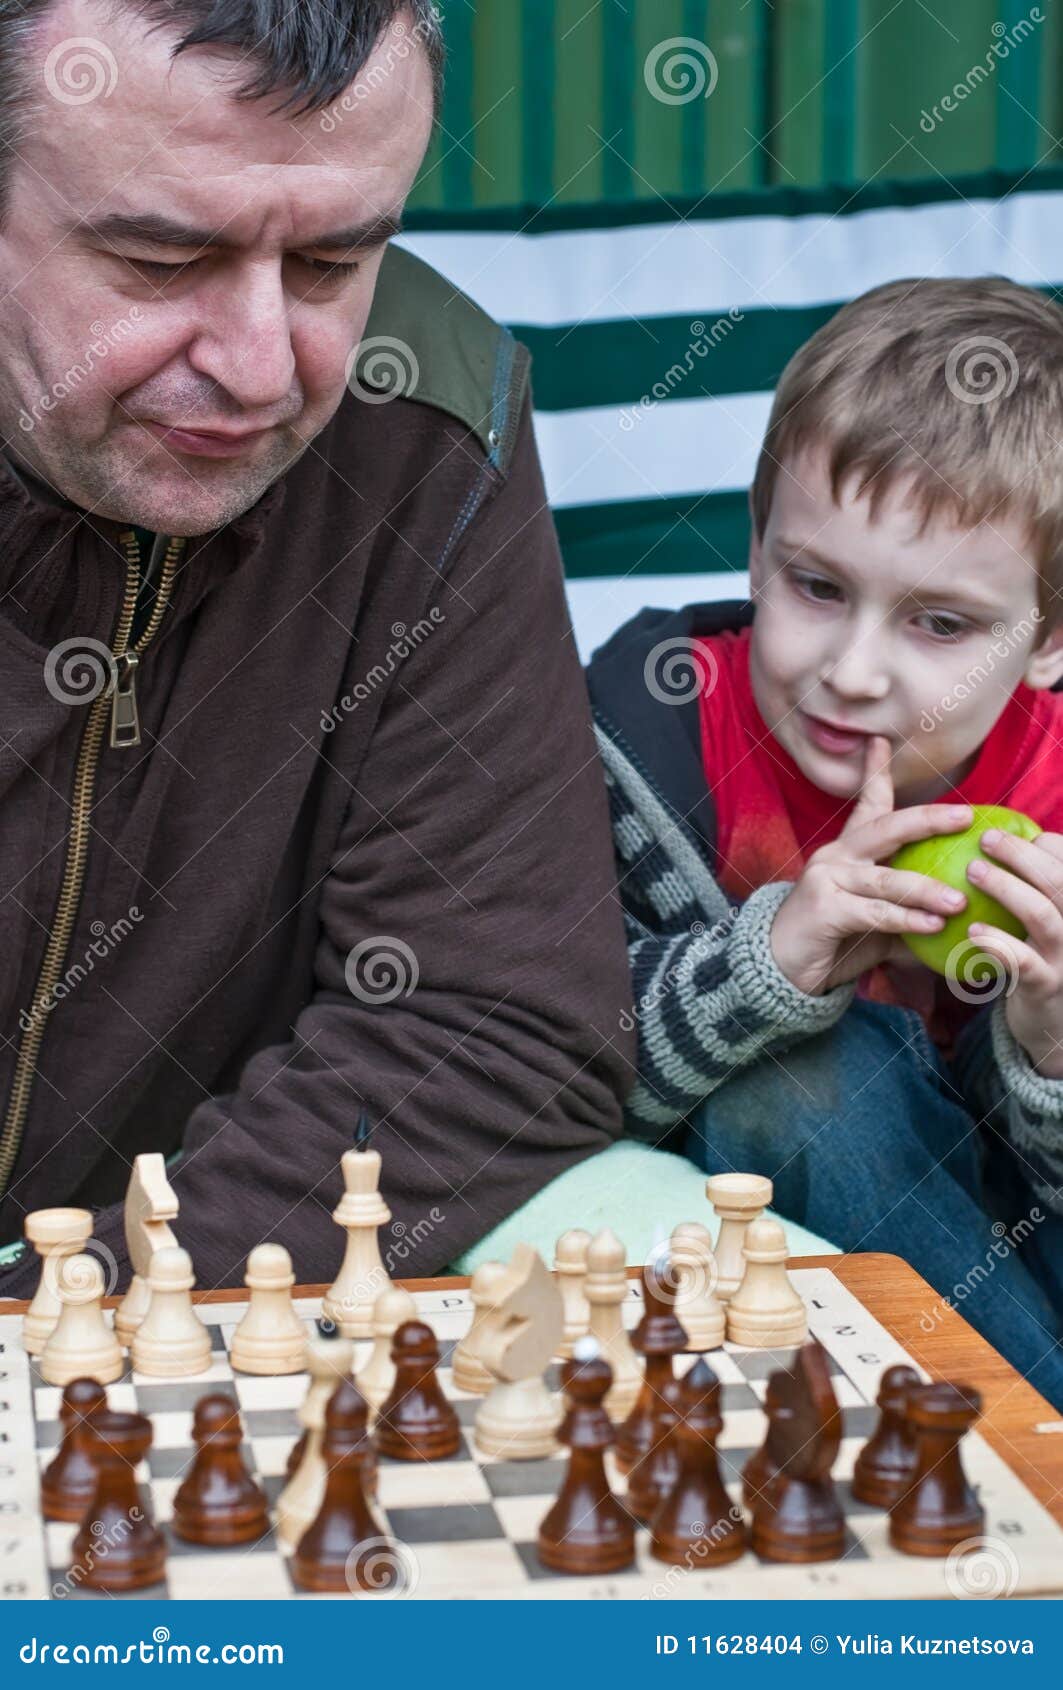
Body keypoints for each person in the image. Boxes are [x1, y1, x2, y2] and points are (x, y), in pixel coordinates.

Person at [0, 0, 635, 1294]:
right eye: (160, 262)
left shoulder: (429, 411)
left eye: (334, 264)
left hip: (174, 1288)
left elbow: (497, 1017)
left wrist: (74, 1310)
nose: (258, 368)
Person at [586, 275, 1063, 1409]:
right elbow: (535, 1068)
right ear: (754, 549)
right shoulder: (639, 739)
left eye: (938, 623)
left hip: (1020, 1238)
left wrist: (1048, 1058)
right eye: (814, 587)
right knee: (809, 1083)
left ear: (1049, 641)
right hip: (780, 1259)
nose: (851, 671)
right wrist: (770, 963)